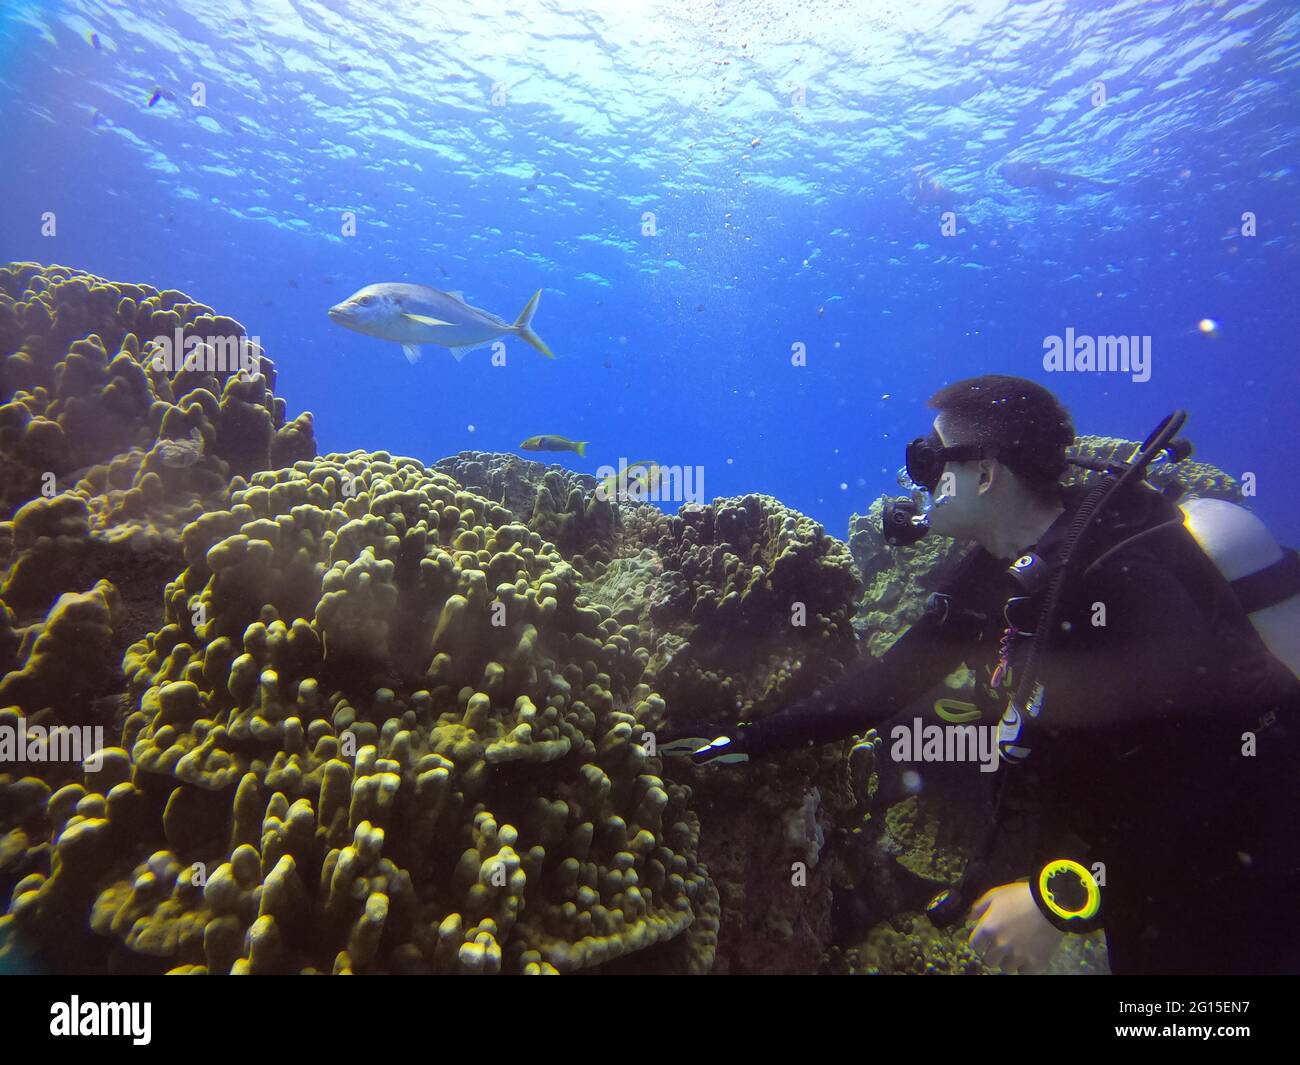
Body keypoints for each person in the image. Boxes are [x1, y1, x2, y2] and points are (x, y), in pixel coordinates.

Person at [688, 375, 1300, 975]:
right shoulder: (997, 575)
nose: (916, 480)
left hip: (1246, 881)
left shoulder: (1119, 579)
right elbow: (884, 686)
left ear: (984, 473)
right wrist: (743, 742)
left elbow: (1225, 774)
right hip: (1151, 889)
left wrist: (1063, 899)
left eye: (928, 459)